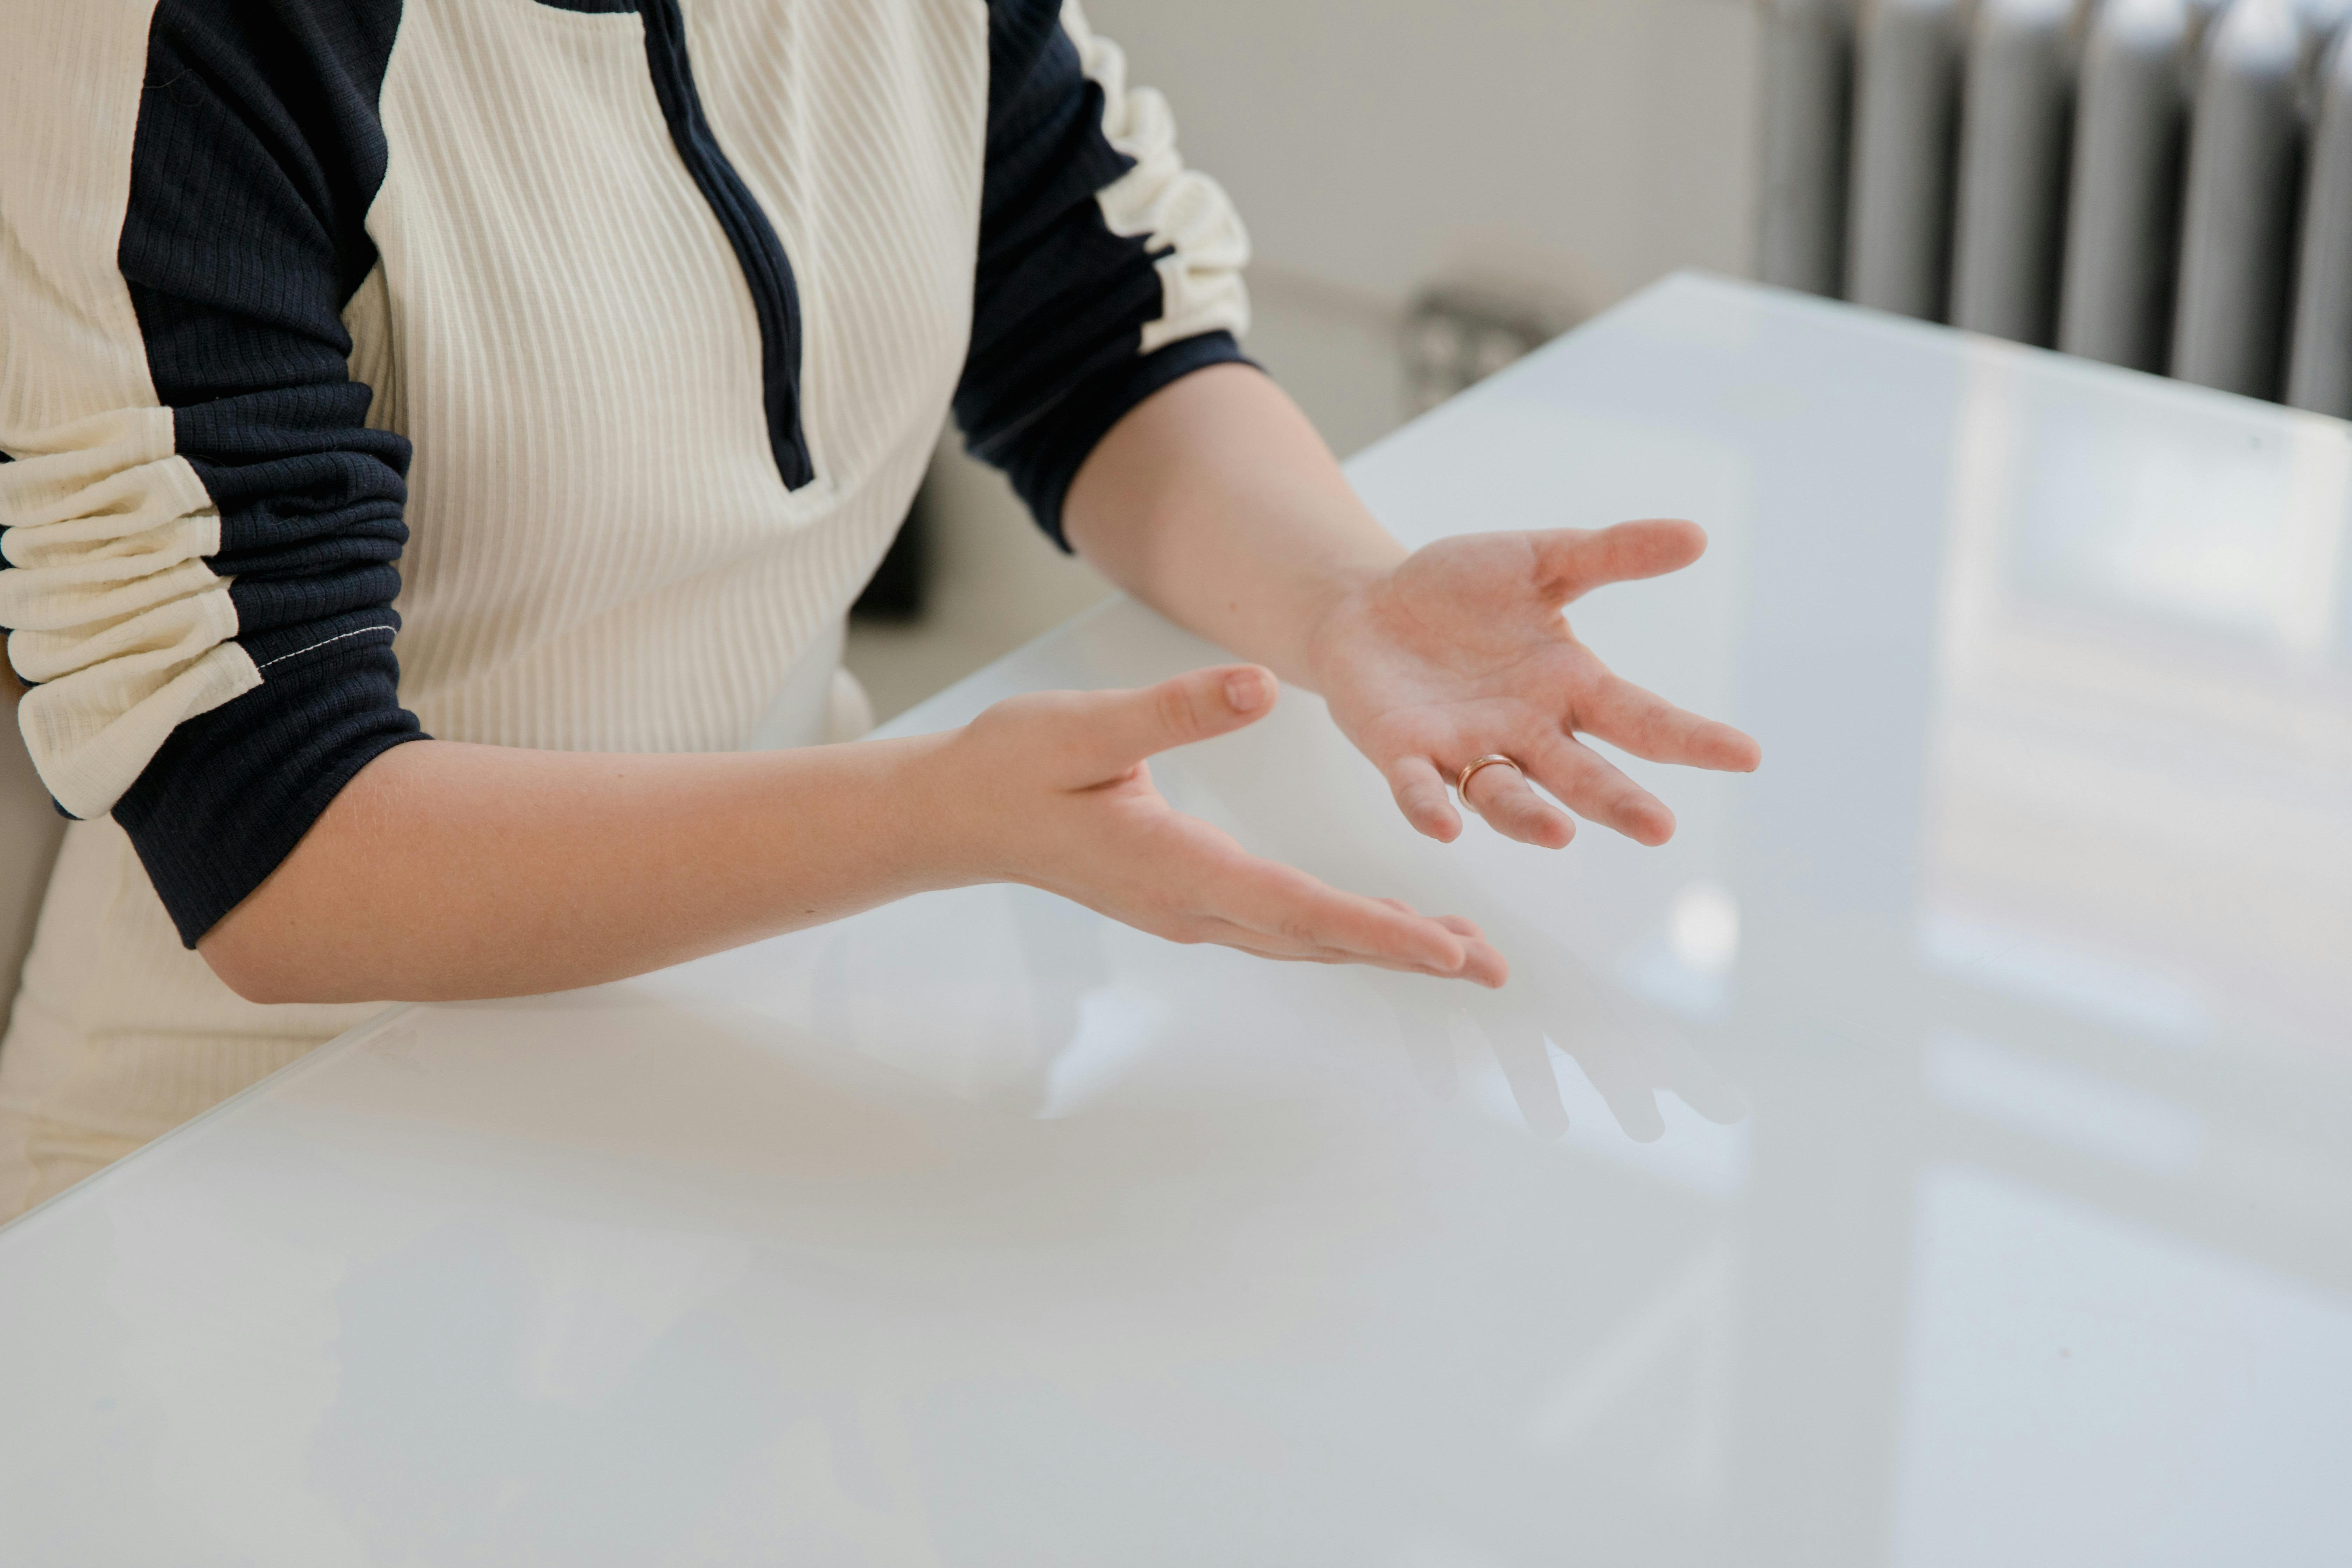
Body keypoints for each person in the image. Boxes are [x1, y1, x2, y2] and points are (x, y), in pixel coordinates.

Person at [0, 0, 1759, 1219]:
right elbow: (277, 832)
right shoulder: (174, 41)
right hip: (249, 1149)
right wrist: (930, 815)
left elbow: (1096, 330)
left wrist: (1344, 595)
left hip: (740, 1049)